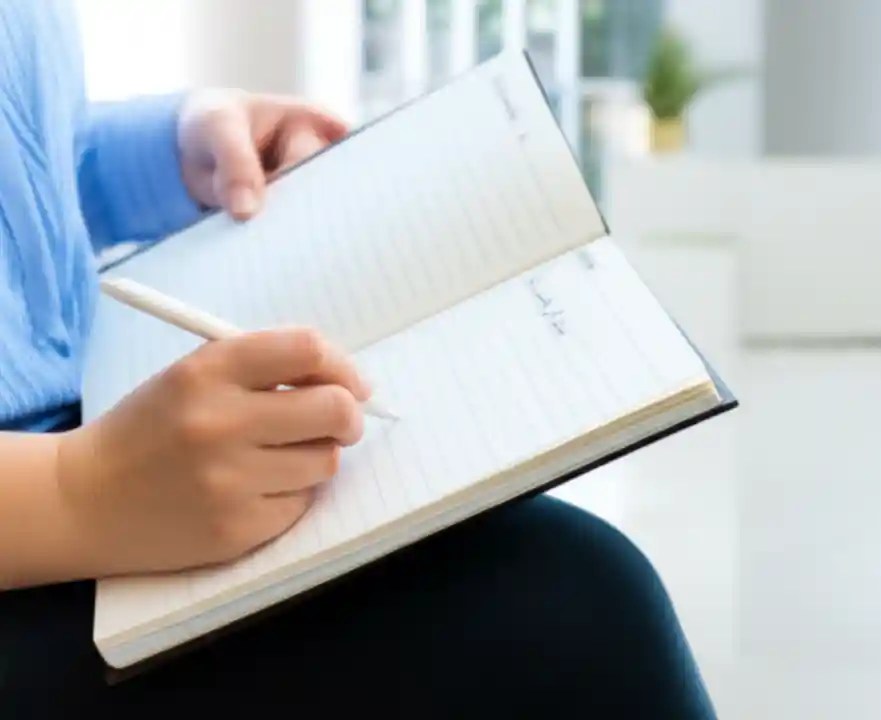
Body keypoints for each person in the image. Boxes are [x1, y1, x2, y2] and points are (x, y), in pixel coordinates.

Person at [0, 3, 716, 717]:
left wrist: (163, 155)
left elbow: (36, 151)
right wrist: (75, 492)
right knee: (573, 612)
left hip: (82, 440)